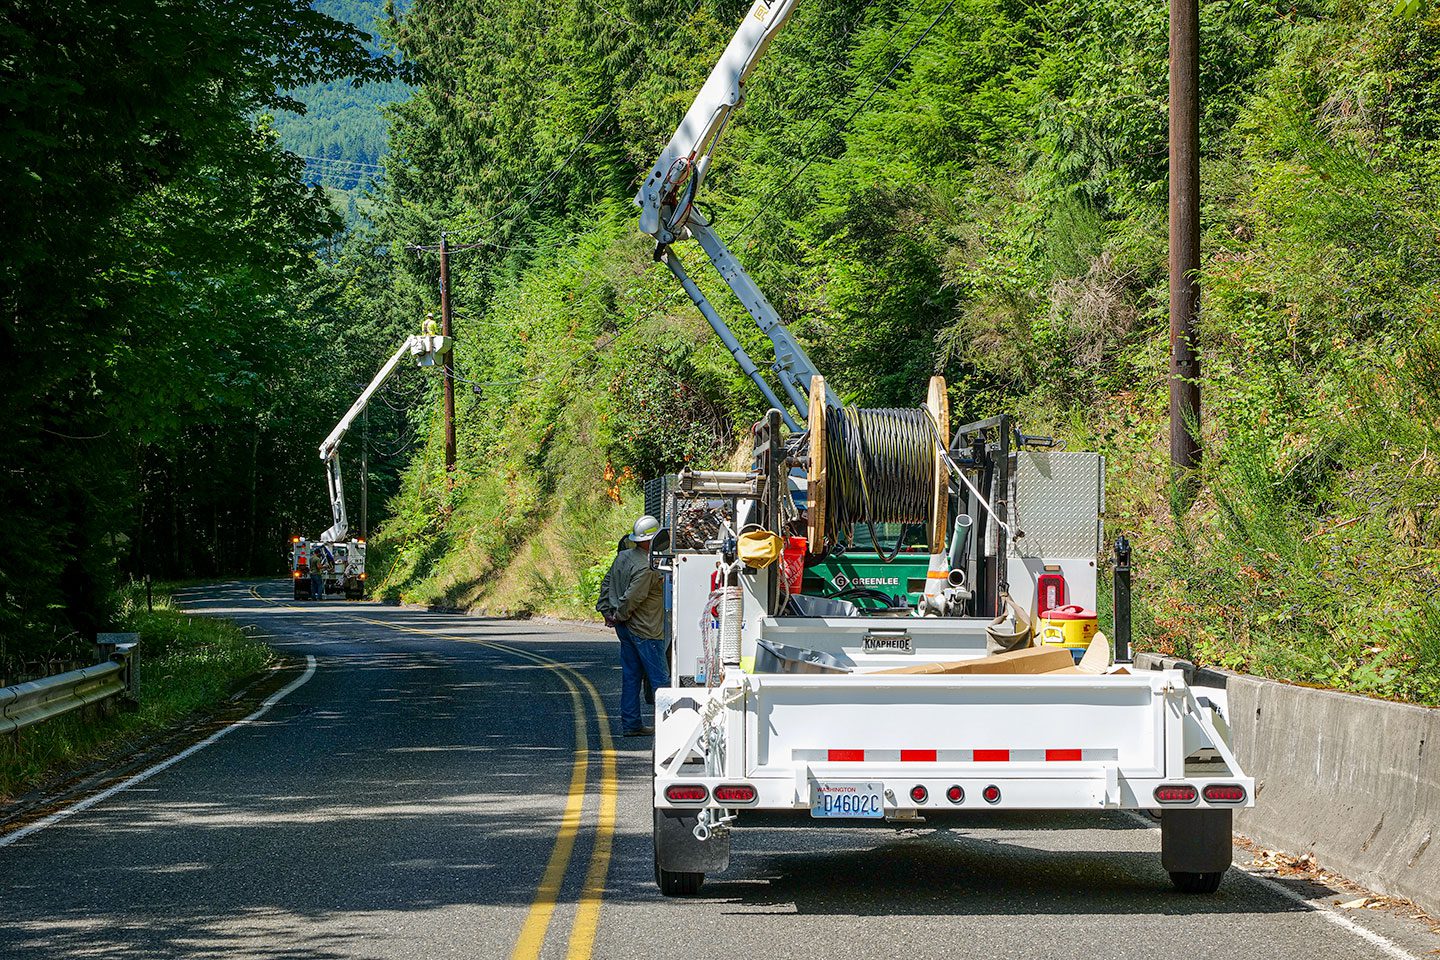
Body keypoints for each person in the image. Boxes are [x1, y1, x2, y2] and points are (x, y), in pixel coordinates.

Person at [597, 515, 669, 737]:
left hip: (626, 629)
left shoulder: (623, 557)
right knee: (660, 680)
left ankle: (631, 724)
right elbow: (632, 598)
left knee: (631, 677)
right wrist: (618, 614)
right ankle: (670, 729)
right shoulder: (647, 568)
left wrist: (607, 611)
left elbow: (607, 582)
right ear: (652, 539)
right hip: (646, 629)